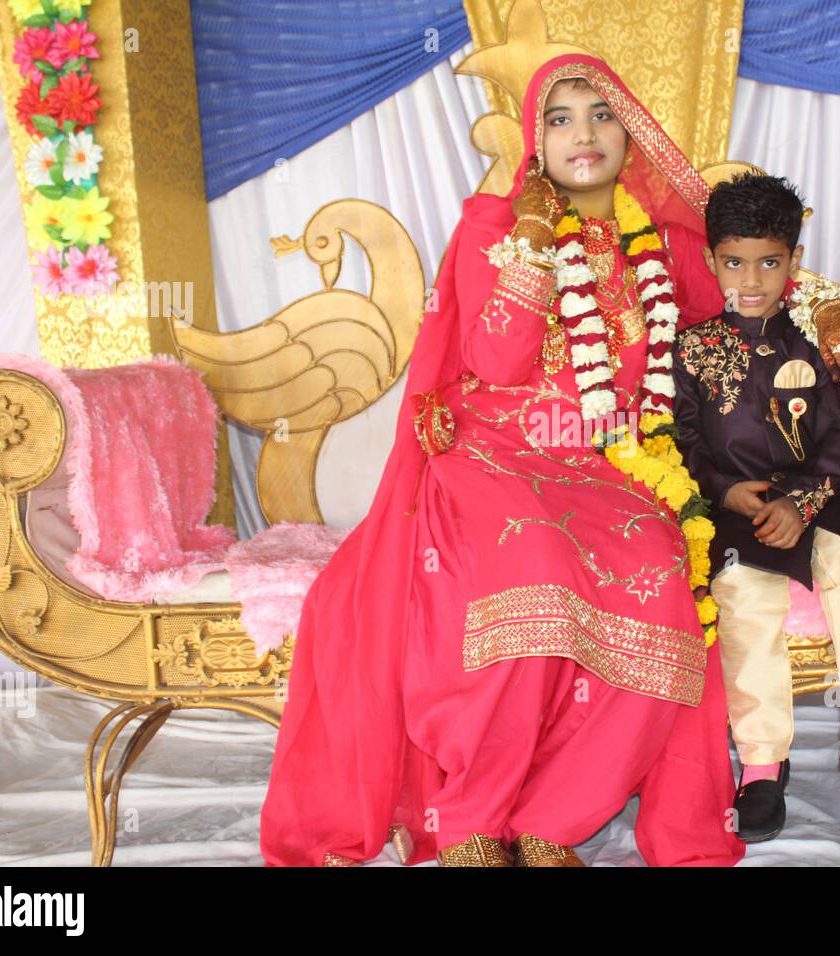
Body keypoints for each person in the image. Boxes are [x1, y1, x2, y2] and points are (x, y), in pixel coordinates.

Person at [260, 53, 761, 868]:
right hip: (493, 450)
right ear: (535, 140)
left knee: (667, 585)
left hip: (605, 466)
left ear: (630, 134)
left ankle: (549, 823)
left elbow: (753, 303)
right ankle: (471, 824)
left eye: (600, 115)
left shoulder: (663, 249)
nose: (583, 135)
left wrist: (830, 317)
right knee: (533, 574)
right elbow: (493, 361)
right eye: (559, 120)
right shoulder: (495, 225)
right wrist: (530, 241)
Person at [672, 172, 840, 844]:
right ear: (712, 261)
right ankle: (763, 761)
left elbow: (831, 443)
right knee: (742, 585)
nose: (752, 279)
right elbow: (684, 440)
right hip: (738, 510)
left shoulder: (815, 343)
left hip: (822, 499)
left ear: (793, 260)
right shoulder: (693, 350)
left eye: (770, 261)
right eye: (735, 262)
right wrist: (721, 489)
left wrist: (802, 502)